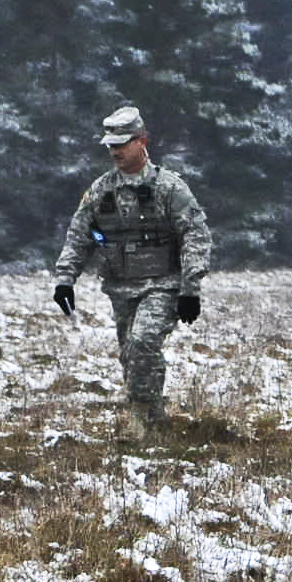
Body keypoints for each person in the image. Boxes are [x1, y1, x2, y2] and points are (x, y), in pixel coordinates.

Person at [52, 106, 211, 441]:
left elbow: (195, 236)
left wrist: (190, 290)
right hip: (120, 287)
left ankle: (138, 417)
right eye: (110, 145)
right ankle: (154, 423)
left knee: (142, 343)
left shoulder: (169, 188)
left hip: (163, 285)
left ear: (142, 141)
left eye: (122, 143)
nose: (115, 151)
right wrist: (65, 280)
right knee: (130, 356)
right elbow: (81, 234)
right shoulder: (100, 191)